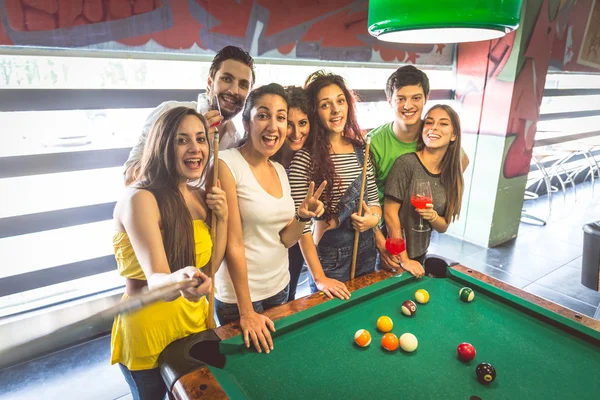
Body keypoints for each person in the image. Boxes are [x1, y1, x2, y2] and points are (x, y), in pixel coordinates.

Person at [111, 107, 228, 400]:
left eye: (201, 139)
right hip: (148, 334)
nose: (195, 148)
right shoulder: (140, 199)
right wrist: (181, 278)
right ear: (162, 144)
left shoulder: (201, 197)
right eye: (182, 140)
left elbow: (211, 268)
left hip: (193, 327)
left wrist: (223, 218)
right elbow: (157, 279)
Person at [215, 83, 325, 354]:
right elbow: (233, 244)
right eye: (263, 115)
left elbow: (285, 239)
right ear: (247, 120)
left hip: (280, 288)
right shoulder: (226, 164)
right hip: (239, 300)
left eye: (281, 118)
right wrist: (247, 311)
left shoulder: (279, 169)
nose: (273, 126)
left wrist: (302, 215)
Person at [289, 71, 381, 300]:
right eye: (325, 104)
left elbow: (374, 201)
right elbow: (302, 229)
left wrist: (373, 220)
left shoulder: (362, 150)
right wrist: (319, 278)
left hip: (367, 251)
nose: (336, 110)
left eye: (340, 101)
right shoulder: (304, 158)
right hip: (330, 260)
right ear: (315, 112)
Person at [369, 65, 469, 272]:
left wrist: (440, 191)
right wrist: (382, 243)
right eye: (400, 99)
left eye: (416, 98)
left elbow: (460, 162)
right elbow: (362, 200)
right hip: (377, 230)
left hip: (417, 236)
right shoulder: (374, 143)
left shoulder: (433, 132)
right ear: (390, 101)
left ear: (425, 99)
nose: (408, 105)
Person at [123, 45, 256, 185]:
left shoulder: (235, 142)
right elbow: (130, 179)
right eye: (227, 79)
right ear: (210, 82)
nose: (234, 90)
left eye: (243, 85)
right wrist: (192, 139)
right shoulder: (168, 112)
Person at [383, 104, 465, 277]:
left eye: (443, 124)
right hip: (393, 256)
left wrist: (433, 216)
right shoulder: (406, 163)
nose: (434, 127)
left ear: (454, 135)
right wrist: (404, 259)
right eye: (429, 122)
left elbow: (443, 226)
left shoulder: (451, 175)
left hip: (420, 254)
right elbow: (390, 213)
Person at [272, 86, 312, 302]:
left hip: (297, 243)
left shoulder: (314, 158)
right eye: (288, 124)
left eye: (303, 123)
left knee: (290, 300)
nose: (296, 133)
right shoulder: (265, 155)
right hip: (263, 249)